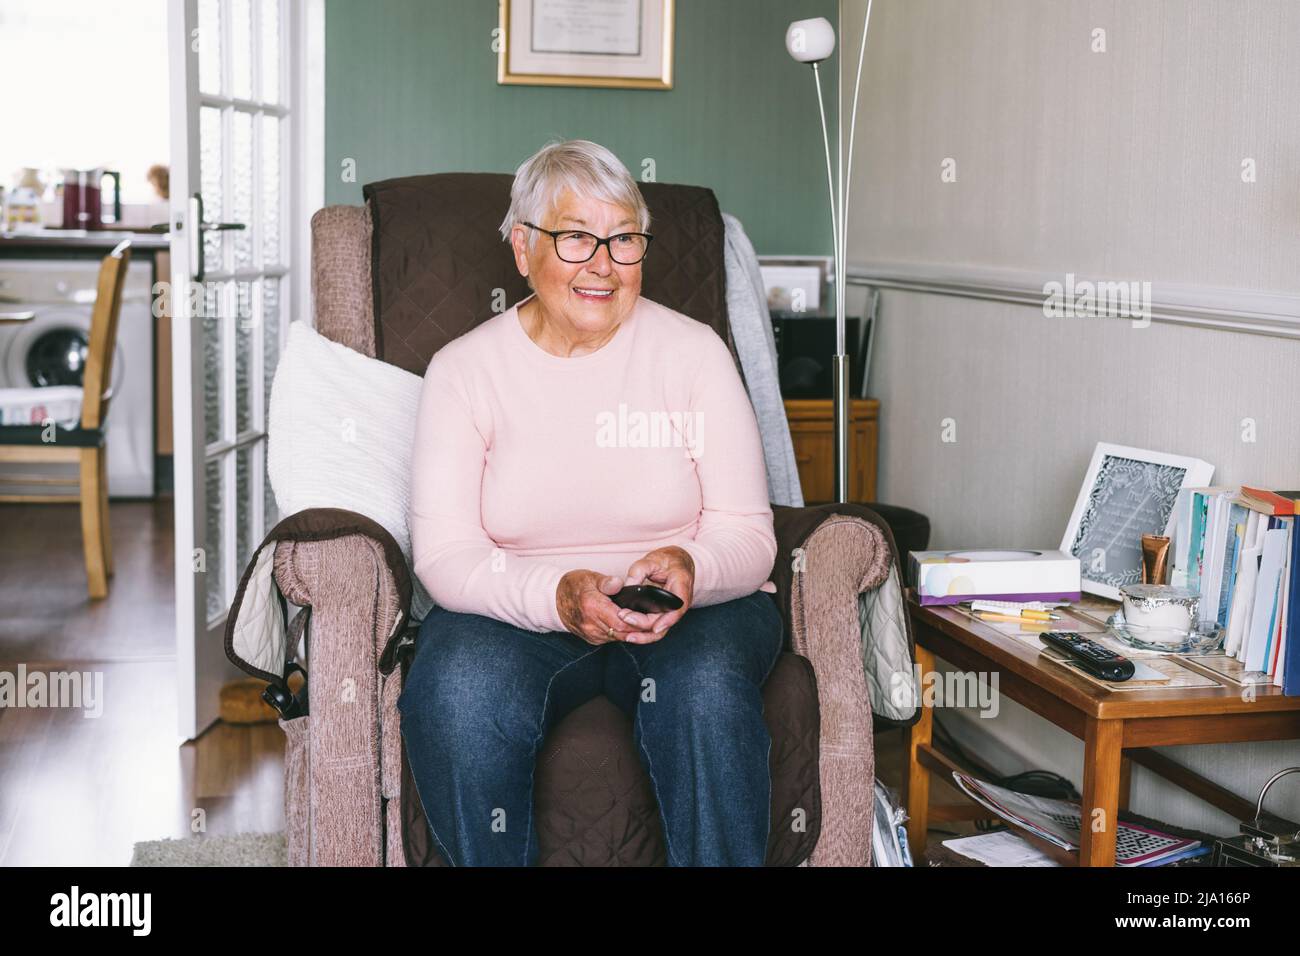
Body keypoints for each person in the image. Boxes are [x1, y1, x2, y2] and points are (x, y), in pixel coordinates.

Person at [397, 139, 783, 866]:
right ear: (522, 248)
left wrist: (689, 565)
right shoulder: (463, 372)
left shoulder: (694, 354)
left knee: (703, 692)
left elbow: (748, 533)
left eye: (624, 239)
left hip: (689, 610)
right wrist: (558, 596)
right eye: (575, 237)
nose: (603, 265)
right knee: (456, 698)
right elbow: (446, 558)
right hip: (516, 608)